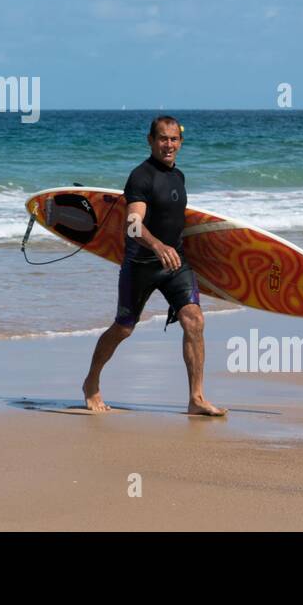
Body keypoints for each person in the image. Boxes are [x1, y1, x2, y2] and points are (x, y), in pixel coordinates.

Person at [81, 116, 226, 416]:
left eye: (174, 139)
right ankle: (91, 382)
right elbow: (133, 226)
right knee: (123, 329)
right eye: (162, 138)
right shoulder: (140, 177)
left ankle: (196, 398)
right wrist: (158, 246)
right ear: (150, 140)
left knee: (194, 321)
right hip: (141, 264)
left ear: (181, 142)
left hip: (175, 262)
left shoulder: (179, 177)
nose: (168, 144)